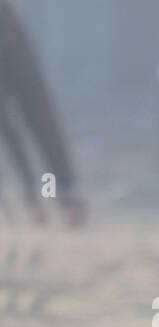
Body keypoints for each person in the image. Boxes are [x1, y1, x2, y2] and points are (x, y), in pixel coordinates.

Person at [0, 0, 85, 227]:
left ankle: (62, 193)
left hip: (8, 30)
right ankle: (34, 196)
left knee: (35, 112)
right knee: (9, 122)